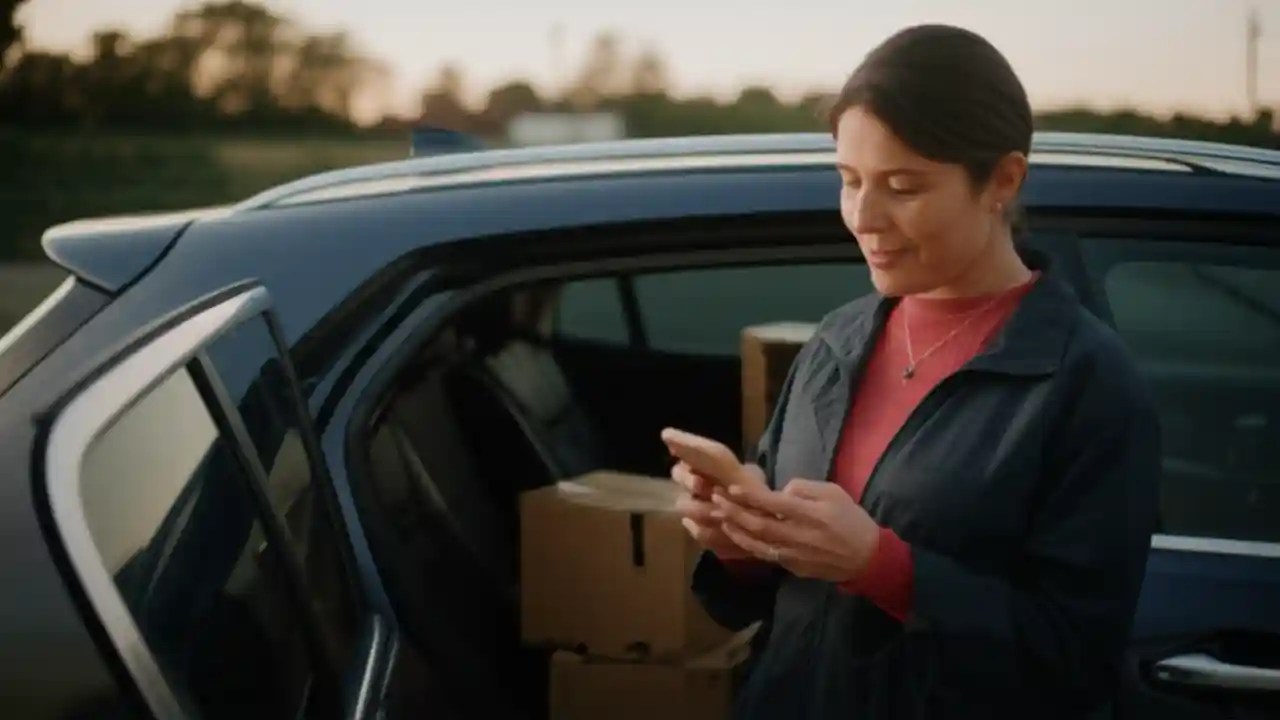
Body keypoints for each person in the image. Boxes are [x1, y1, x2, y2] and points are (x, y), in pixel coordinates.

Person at [672, 24, 1161, 720]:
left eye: (902, 186)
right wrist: (742, 539)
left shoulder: (1087, 384)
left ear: (1003, 180)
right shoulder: (839, 338)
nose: (864, 217)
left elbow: (1072, 662)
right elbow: (777, 606)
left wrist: (880, 565)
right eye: (848, 180)